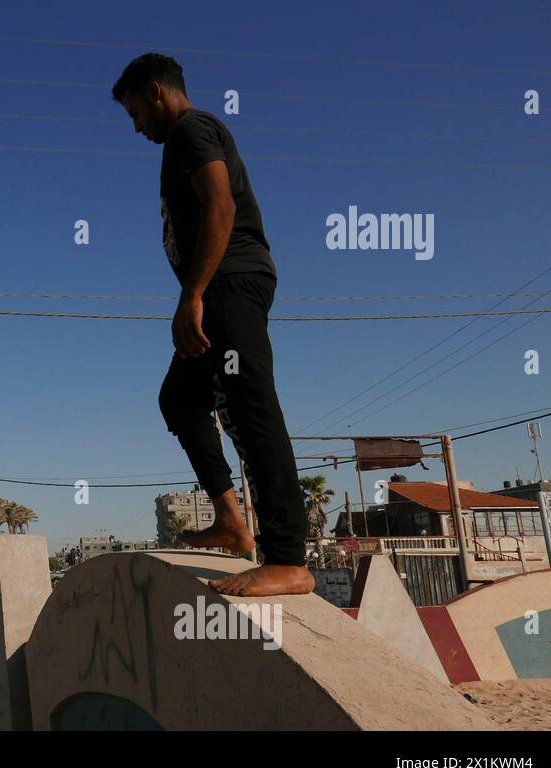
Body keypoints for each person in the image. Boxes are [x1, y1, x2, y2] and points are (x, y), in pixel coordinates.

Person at [110, 52, 315, 597]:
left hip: (229, 285)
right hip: (221, 286)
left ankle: (289, 558)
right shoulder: (184, 138)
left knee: (250, 406)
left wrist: (193, 294)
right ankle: (231, 521)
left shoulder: (190, 129)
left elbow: (220, 205)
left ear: (156, 91)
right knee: (180, 399)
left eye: (134, 112)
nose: (135, 126)